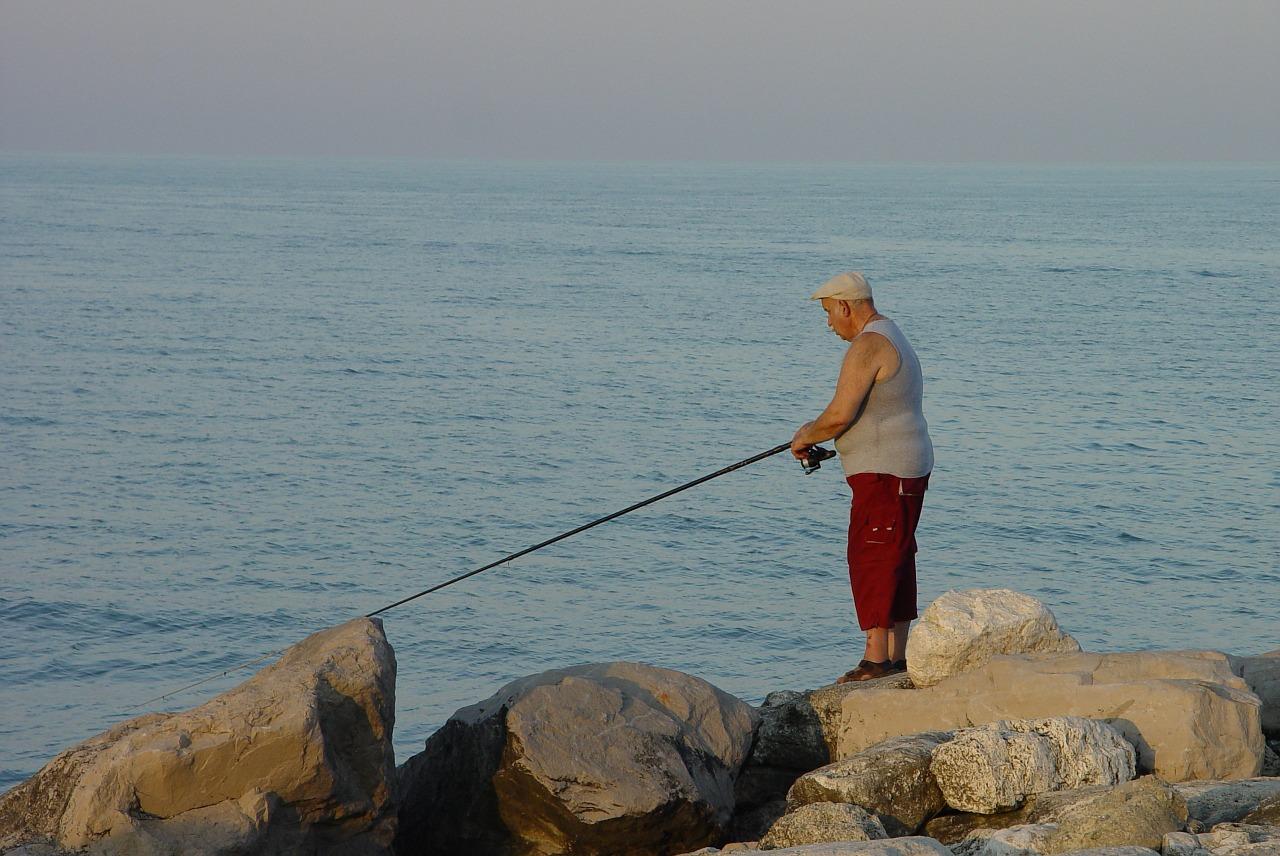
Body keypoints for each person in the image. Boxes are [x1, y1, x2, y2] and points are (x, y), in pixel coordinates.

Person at [790, 271, 934, 683]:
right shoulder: (892, 332)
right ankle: (897, 657)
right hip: (905, 466)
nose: (828, 323)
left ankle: (875, 661)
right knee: (897, 556)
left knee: (872, 555)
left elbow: (839, 414)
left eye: (828, 313)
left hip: (886, 473)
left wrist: (803, 436)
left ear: (844, 306)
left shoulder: (868, 344)